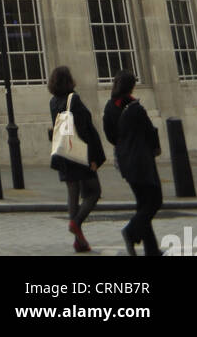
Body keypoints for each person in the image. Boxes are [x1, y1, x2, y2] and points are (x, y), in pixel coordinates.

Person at [103, 70, 163, 256]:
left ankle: (151, 249)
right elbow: (149, 131)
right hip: (142, 160)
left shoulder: (110, 107)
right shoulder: (135, 107)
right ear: (131, 86)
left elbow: (110, 134)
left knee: (142, 203)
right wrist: (154, 147)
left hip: (125, 160)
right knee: (154, 201)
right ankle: (131, 232)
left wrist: (123, 146)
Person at [47, 65, 105, 252]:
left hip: (63, 153)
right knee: (93, 192)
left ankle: (79, 241)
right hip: (79, 153)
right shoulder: (74, 99)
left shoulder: (53, 102)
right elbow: (85, 130)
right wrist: (94, 157)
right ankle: (76, 222)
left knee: (72, 193)